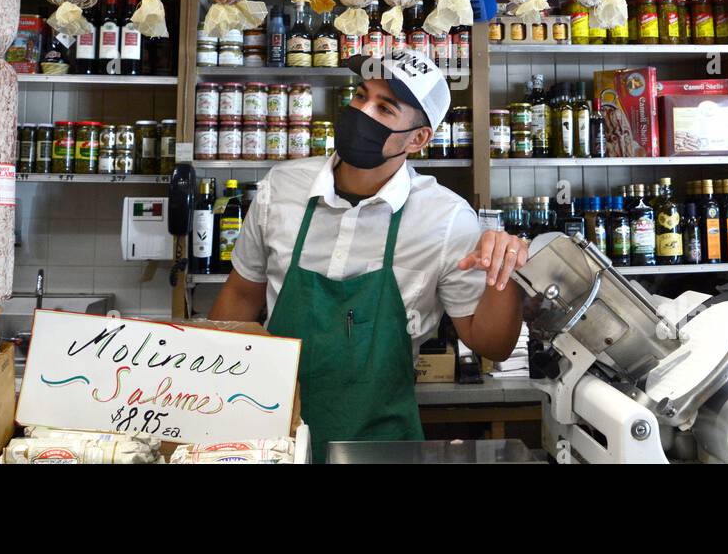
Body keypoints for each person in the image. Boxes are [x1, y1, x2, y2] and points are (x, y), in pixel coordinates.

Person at [210, 49, 527, 460]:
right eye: (361, 96)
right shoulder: (281, 188)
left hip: (382, 446)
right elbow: (240, 296)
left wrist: (503, 273)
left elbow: (491, 344)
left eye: (385, 108)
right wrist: (208, 389)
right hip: (269, 437)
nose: (362, 112)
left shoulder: (445, 219)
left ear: (418, 139)